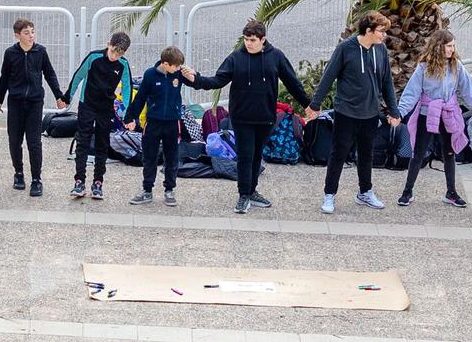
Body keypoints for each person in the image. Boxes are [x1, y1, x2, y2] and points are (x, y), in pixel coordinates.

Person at [183, 20, 310, 214]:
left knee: (257, 155)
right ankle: (243, 195)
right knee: (245, 156)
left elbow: (293, 83)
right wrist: (196, 79)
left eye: (252, 40)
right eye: (246, 39)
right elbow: (218, 80)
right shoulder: (236, 58)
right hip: (241, 118)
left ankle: (252, 191)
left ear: (263, 39)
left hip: (265, 117)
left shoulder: (276, 57)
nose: (248, 43)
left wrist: (309, 105)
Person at [305, 13, 400, 214]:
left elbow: (387, 83)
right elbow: (328, 77)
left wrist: (394, 110)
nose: (384, 35)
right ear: (369, 31)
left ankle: (365, 192)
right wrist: (315, 105)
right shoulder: (345, 49)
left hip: (370, 113)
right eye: (382, 31)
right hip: (346, 113)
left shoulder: (381, 50)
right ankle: (329, 195)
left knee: (366, 155)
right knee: (338, 154)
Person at [396, 29, 472, 210]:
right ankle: (407, 192)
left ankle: (451, 192)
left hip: (448, 113)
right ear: (438, 46)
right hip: (427, 113)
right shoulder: (424, 67)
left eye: (453, 46)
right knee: (418, 153)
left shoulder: (457, 66)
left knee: (449, 153)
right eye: (448, 46)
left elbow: (469, 90)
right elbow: (411, 93)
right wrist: (399, 113)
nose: (452, 49)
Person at [0, 18, 68, 198]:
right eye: (26, 32)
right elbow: (4, 78)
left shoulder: (40, 51)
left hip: (35, 102)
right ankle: (18, 173)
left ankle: (36, 179)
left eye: (32, 31)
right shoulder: (10, 53)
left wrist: (59, 95)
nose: (31, 36)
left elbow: (50, 74)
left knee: (34, 142)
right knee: (14, 140)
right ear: (17, 35)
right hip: (16, 101)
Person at [125, 46, 189, 205]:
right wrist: (130, 117)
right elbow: (140, 98)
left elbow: (198, 82)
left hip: (173, 123)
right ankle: (147, 190)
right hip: (153, 122)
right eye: (176, 66)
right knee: (149, 157)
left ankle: (169, 189)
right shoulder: (150, 75)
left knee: (172, 157)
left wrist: (194, 74)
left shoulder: (179, 74)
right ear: (165, 63)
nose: (178, 68)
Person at [72, 32, 131, 201]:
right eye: (113, 51)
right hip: (87, 105)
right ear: (108, 44)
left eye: (119, 54)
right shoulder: (94, 57)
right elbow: (78, 76)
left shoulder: (123, 65)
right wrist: (67, 97)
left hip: (106, 108)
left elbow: (126, 89)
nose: (114, 57)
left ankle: (98, 182)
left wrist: (126, 114)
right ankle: (79, 180)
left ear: (124, 53)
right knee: (82, 141)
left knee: (102, 144)